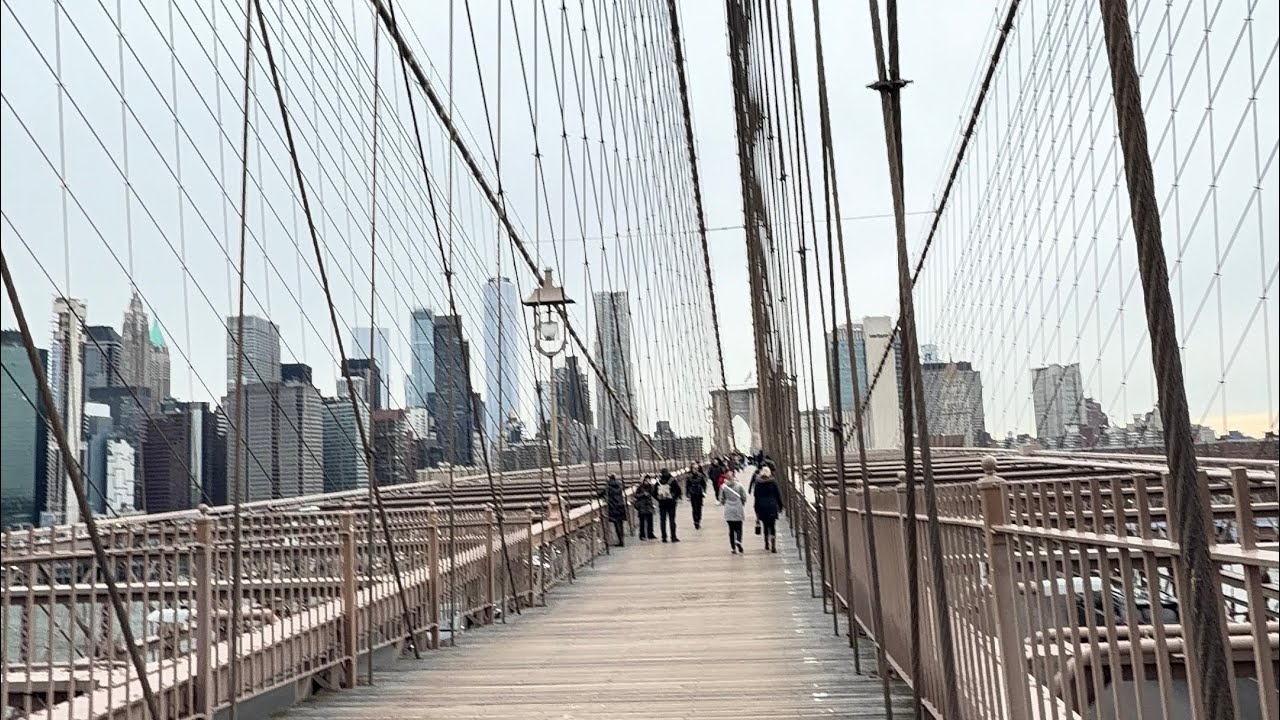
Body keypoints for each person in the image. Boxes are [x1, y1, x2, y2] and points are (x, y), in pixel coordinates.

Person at [752, 466, 782, 552]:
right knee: (772, 526)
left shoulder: (758, 484)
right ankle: (773, 545)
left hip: (762, 506)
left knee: (765, 526)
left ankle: (766, 544)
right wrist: (780, 506)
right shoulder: (773, 483)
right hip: (772, 506)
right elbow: (778, 495)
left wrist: (756, 509)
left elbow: (756, 497)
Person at [718, 470, 748, 554]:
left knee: (731, 529)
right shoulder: (739, 485)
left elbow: (721, 499)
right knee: (739, 527)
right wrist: (742, 502)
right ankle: (738, 540)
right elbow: (744, 497)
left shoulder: (723, 487)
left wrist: (725, 503)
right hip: (738, 507)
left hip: (728, 508)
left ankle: (733, 548)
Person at [655, 468, 683, 542]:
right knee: (672, 520)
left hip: (662, 503)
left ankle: (664, 537)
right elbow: (678, 491)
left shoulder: (658, 482)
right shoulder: (672, 481)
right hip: (671, 503)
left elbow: (654, 492)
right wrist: (674, 497)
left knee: (663, 520)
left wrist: (659, 499)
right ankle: (673, 536)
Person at [602, 474, 627, 547]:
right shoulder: (619, 486)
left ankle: (620, 541)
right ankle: (622, 540)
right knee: (620, 524)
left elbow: (600, 493)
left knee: (617, 525)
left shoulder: (608, 487)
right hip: (620, 506)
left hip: (613, 507)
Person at [634, 475, 657, 540]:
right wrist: (643, 494)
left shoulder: (650, 487)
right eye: (646, 480)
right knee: (642, 522)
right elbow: (635, 495)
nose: (647, 481)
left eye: (648, 480)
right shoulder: (640, 487)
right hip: (642, 506)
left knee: (650, 521)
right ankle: (642, 535)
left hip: (649, 505)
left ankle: (650, 534)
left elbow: (654, 493)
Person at [685, 462, 708, 529]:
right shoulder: (689, 476)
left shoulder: (701, 475)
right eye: (694, 468)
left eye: (696, 468)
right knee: (694, 508)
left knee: (699, 508)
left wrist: (704, 492)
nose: (695, 470)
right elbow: (687, 486)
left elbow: (704, 484)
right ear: (692, 469)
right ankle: (695, 521)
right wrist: (687, 494)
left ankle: (698, 519)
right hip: (692, 493)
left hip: (699, 493)